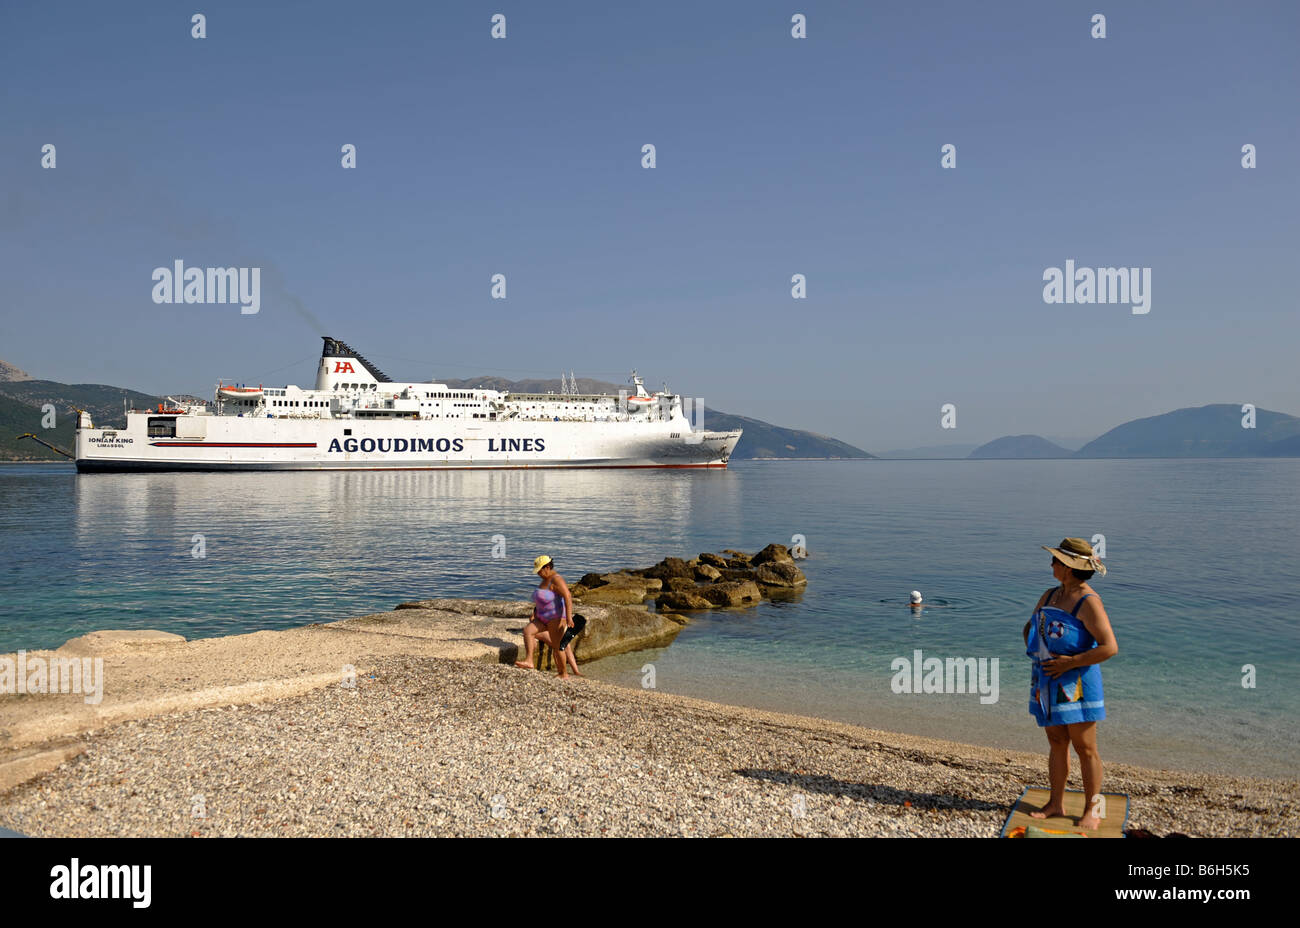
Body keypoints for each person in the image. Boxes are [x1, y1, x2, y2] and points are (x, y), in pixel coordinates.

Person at [1023, 538, 1118, 829]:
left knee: (1085, 747)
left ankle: (1093, 809)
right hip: (1047, 680)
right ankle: (1056, 802)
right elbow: (1031, 626)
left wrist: (1069, 662)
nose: (1051, 564)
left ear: (1068, 567)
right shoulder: (1051, 594)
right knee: (1056, 742)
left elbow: (1109, 647)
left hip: (1076, 682)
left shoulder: (1088, 602)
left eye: (1055, 560)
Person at [514, 555, 579, 678]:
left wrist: (569, 617)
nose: (538, 573)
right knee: (528, 631)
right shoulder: (545, 579)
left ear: (547, 567)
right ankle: (529, 661)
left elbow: (568, 596)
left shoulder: (556, 579)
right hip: (542, 618)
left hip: (556, 618)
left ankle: (563, 674)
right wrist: (536, 612)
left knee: (557, 647)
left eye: (540, 570)